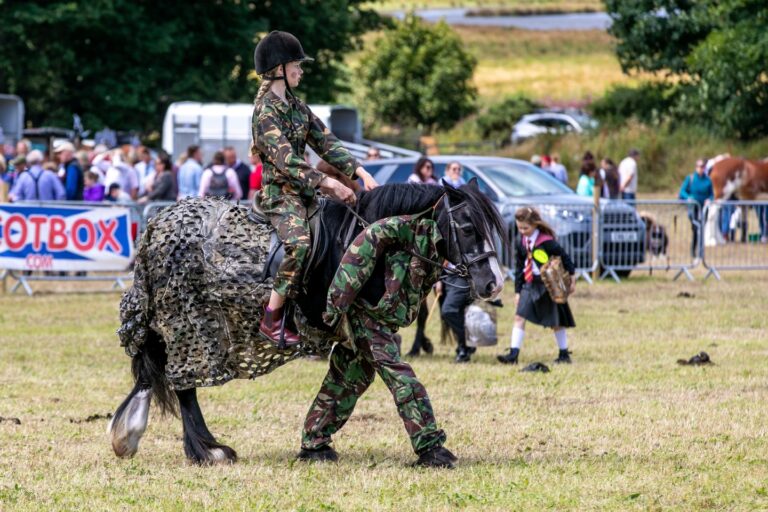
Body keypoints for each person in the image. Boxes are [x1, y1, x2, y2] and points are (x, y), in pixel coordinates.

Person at [251, 31, 377, 345]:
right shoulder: (265, 113)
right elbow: (286, 161)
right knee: (301, 244)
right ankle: (272, 316)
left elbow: (326, 142)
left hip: (306, 194)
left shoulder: (297, 106)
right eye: (297, 65)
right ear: (279, 68)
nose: (301, 71)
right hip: (280, 196)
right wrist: (328, 182)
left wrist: (361, 172)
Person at [498, 206, 576, 365]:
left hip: (548, 285)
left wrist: (572, 278)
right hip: (530, 283)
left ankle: (564, 354)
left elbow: (565, 258)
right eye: (519, 228)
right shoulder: (522, 242)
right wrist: (518, 291)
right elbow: (520, 268)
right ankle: (513, 354)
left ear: (535, 225)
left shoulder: (546, 242)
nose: (522, 231)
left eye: (525, 228)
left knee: (556, 321)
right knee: (519, 316)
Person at [678, 159, 714, 261]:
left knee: (702, 229)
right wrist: (688, 197)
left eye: (702, 167)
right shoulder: (690, 178)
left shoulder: (708, 180)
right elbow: (682, 192)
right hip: (693, 208)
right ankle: (693, 250)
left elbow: (712, 195)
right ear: (696, 167)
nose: (700, 168)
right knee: (695, 229)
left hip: (703, 209)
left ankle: (701, 252)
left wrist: (709, 200)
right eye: (698, 166)